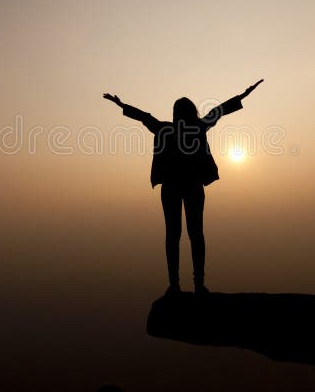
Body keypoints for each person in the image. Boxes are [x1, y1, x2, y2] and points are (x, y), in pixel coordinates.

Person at [103, 79, 263, 295]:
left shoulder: (165, 130)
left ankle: (174, 284)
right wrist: (244, 95)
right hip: (193, 186)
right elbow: (220, 111)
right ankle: (198, 284)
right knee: (196, 234)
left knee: (173, 235)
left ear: (175, 113)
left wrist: (121, 105)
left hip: (170, 187)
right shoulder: (198, 127)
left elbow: (144, 118)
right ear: (192, 112)